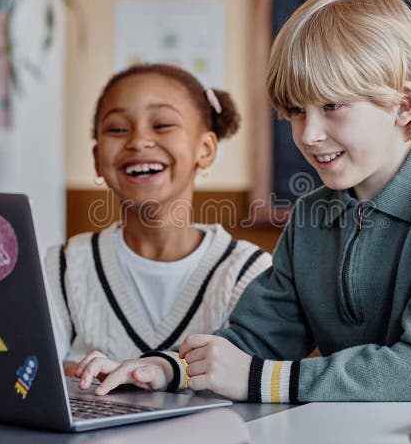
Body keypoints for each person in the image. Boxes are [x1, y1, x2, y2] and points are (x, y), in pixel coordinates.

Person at [74, 0, 411, 401]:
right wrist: (165, 367)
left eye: (333, 106)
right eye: (297, 111)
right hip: (366, 439)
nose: (308, 134)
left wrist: (262, 379)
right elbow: (259, 337)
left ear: (403, 105)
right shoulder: (313, 215)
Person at [45, 63, 271, 366]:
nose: (138, 141)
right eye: (117, 129)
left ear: (205, 149)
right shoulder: (63, 269)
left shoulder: (248, 273)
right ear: (98, 160)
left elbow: (253, 382)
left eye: (162, 124)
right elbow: (34, 377)